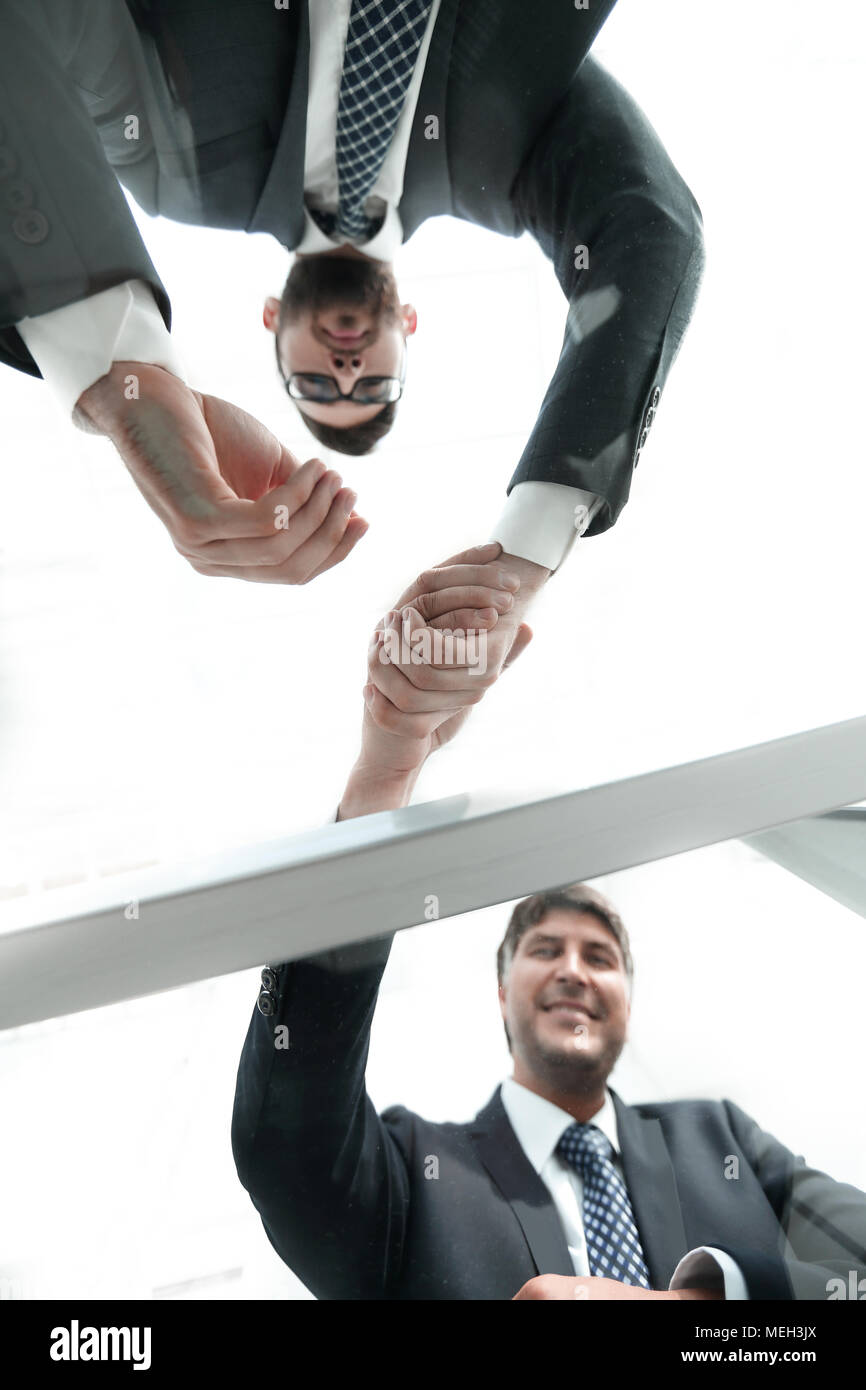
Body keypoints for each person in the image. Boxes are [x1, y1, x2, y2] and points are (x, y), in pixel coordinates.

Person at [0, 0, 704, 706]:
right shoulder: (510, 143)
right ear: (408, 324)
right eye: (372, 389)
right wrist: (518, 561)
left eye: (314, 383)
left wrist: (128, 381)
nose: (344, 374)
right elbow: (648, 224)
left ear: (272, 321)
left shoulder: (170, 164)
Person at [230, 634, 866, 1299]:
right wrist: (380, 785)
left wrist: (707, 1302)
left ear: (627, 997)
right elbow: (287, 1139)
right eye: (544, 950)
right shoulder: (414, 1171)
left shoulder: (722, 1141)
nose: (573, 971)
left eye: (600, 957)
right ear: (502, 992)